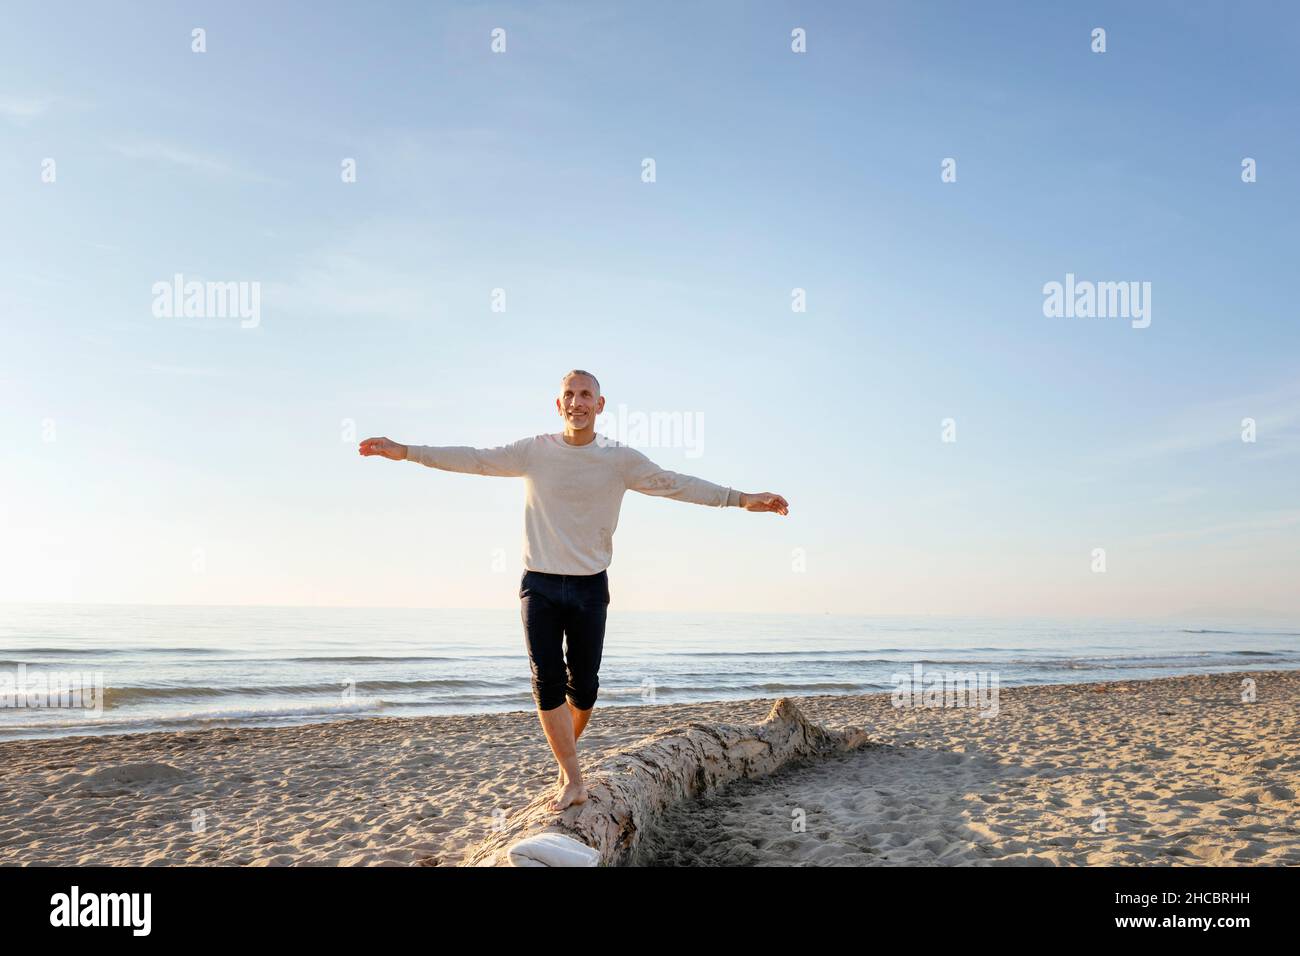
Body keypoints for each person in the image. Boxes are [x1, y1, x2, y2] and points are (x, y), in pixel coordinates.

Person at [359, 369, 789, 811]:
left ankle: (565, 758)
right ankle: (572, 777)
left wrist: (740, 498)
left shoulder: (619, 459)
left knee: (583, 689)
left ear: (599, 405)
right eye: (570, 394)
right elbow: (474, 458)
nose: (577, 402)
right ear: (558, 404)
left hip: (589, 588)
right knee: (547, 681)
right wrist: (406, 452)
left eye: (586, 395)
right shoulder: (534, 451)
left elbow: (675, 484)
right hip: (539, 584)